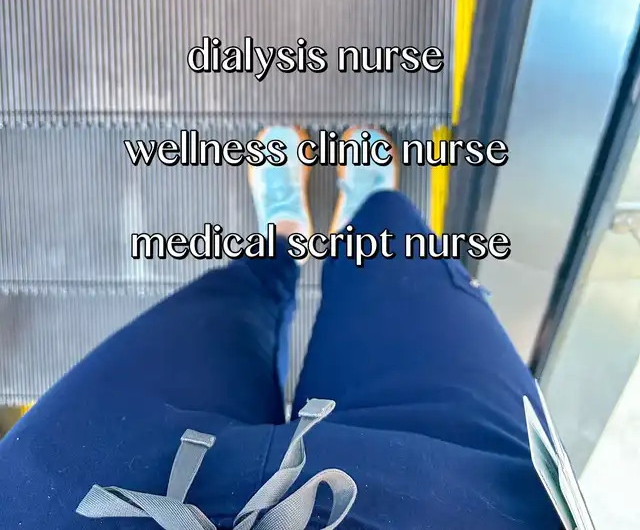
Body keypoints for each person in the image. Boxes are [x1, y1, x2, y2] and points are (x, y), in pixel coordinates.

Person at [0, 127, 559, 529]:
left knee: (225, 307)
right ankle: (364, 212)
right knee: (400, 264)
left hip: (90, 499)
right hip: (466, 498)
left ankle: (284, 240)